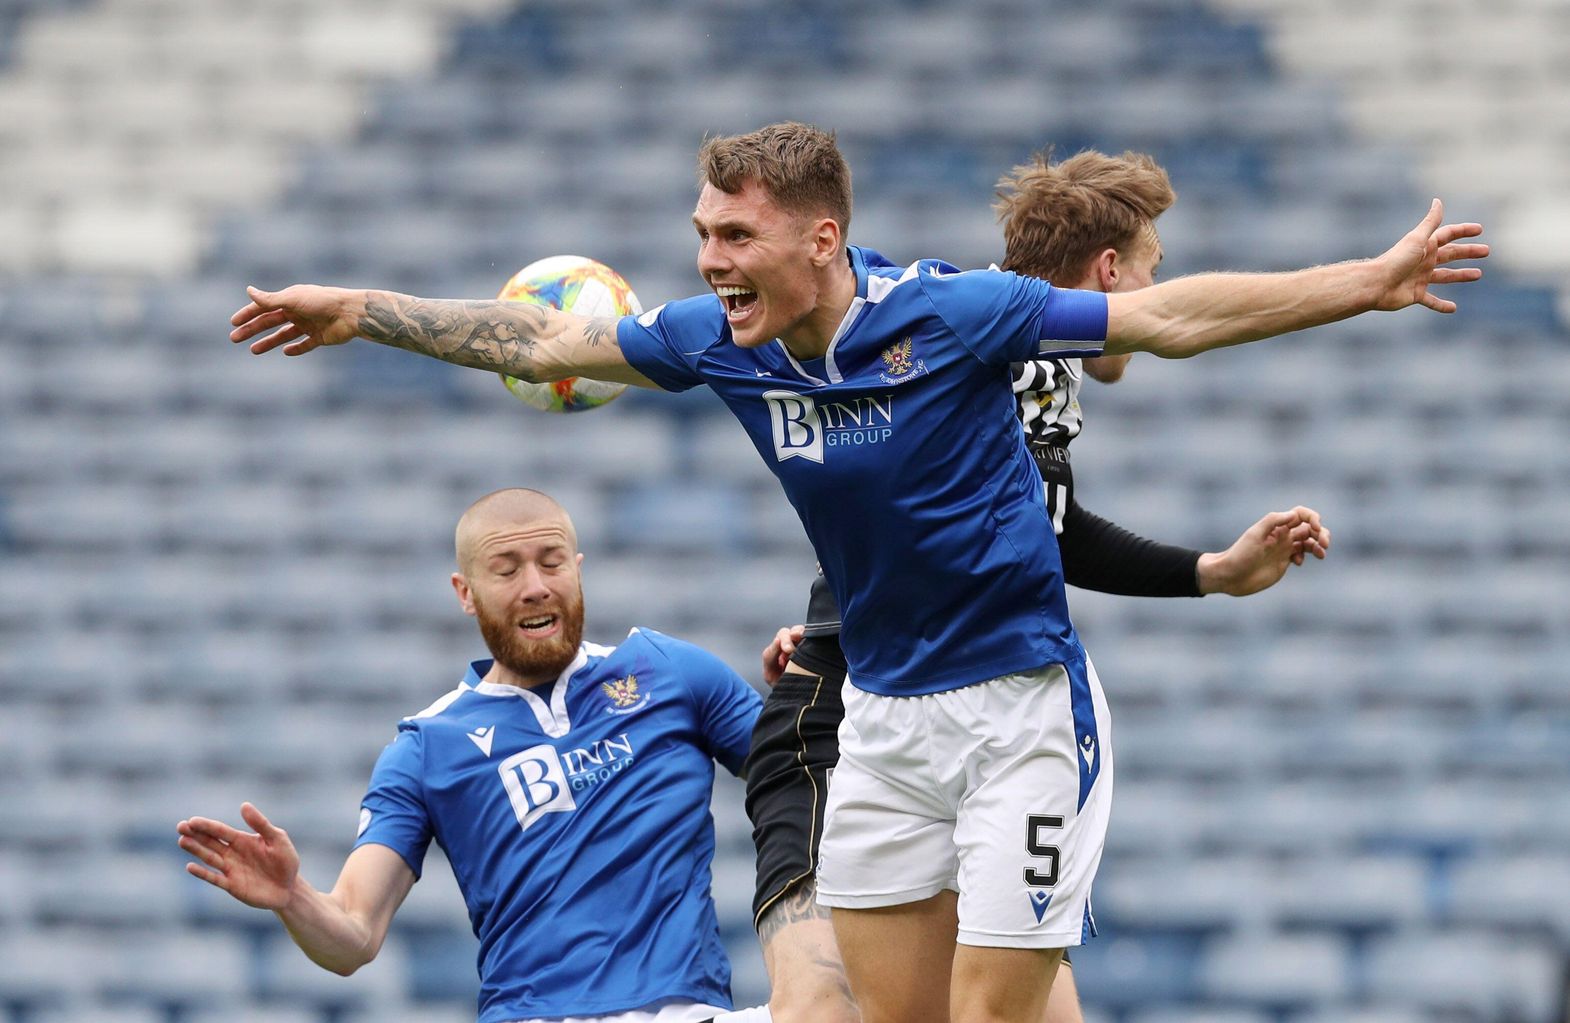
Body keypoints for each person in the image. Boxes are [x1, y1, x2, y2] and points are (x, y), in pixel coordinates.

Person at [227, 122, 1486, 1023]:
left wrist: (1365, 284)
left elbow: (1170, 317)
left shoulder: (953, 312)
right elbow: (544, 335)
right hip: (880, 725)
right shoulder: (715, 343)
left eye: (735, 235)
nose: (709, 260)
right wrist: (363, 311)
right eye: (700, 234)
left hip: (1017, 712)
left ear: (821, 239)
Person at [742, 148, 1331, 1023]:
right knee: (828, 1005)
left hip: (892, 684)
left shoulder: (984, 331)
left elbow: (1003, 522)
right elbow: (978, 522)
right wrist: (828, 636)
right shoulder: (1014, 350)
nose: (1144, 290)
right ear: (1108, 276)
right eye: (1146, 270)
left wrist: (1208, 571)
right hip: (856, 706)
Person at [176, 488, 769, 1023]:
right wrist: (294, 898)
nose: (535, 584)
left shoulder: (669, 671)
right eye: (506, 570)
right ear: (466, 593)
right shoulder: (427, 746)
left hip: (690, 1007)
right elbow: (354, 935)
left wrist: (804, 683)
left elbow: (806, 770)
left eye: (552, 562)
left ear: (578, 571)